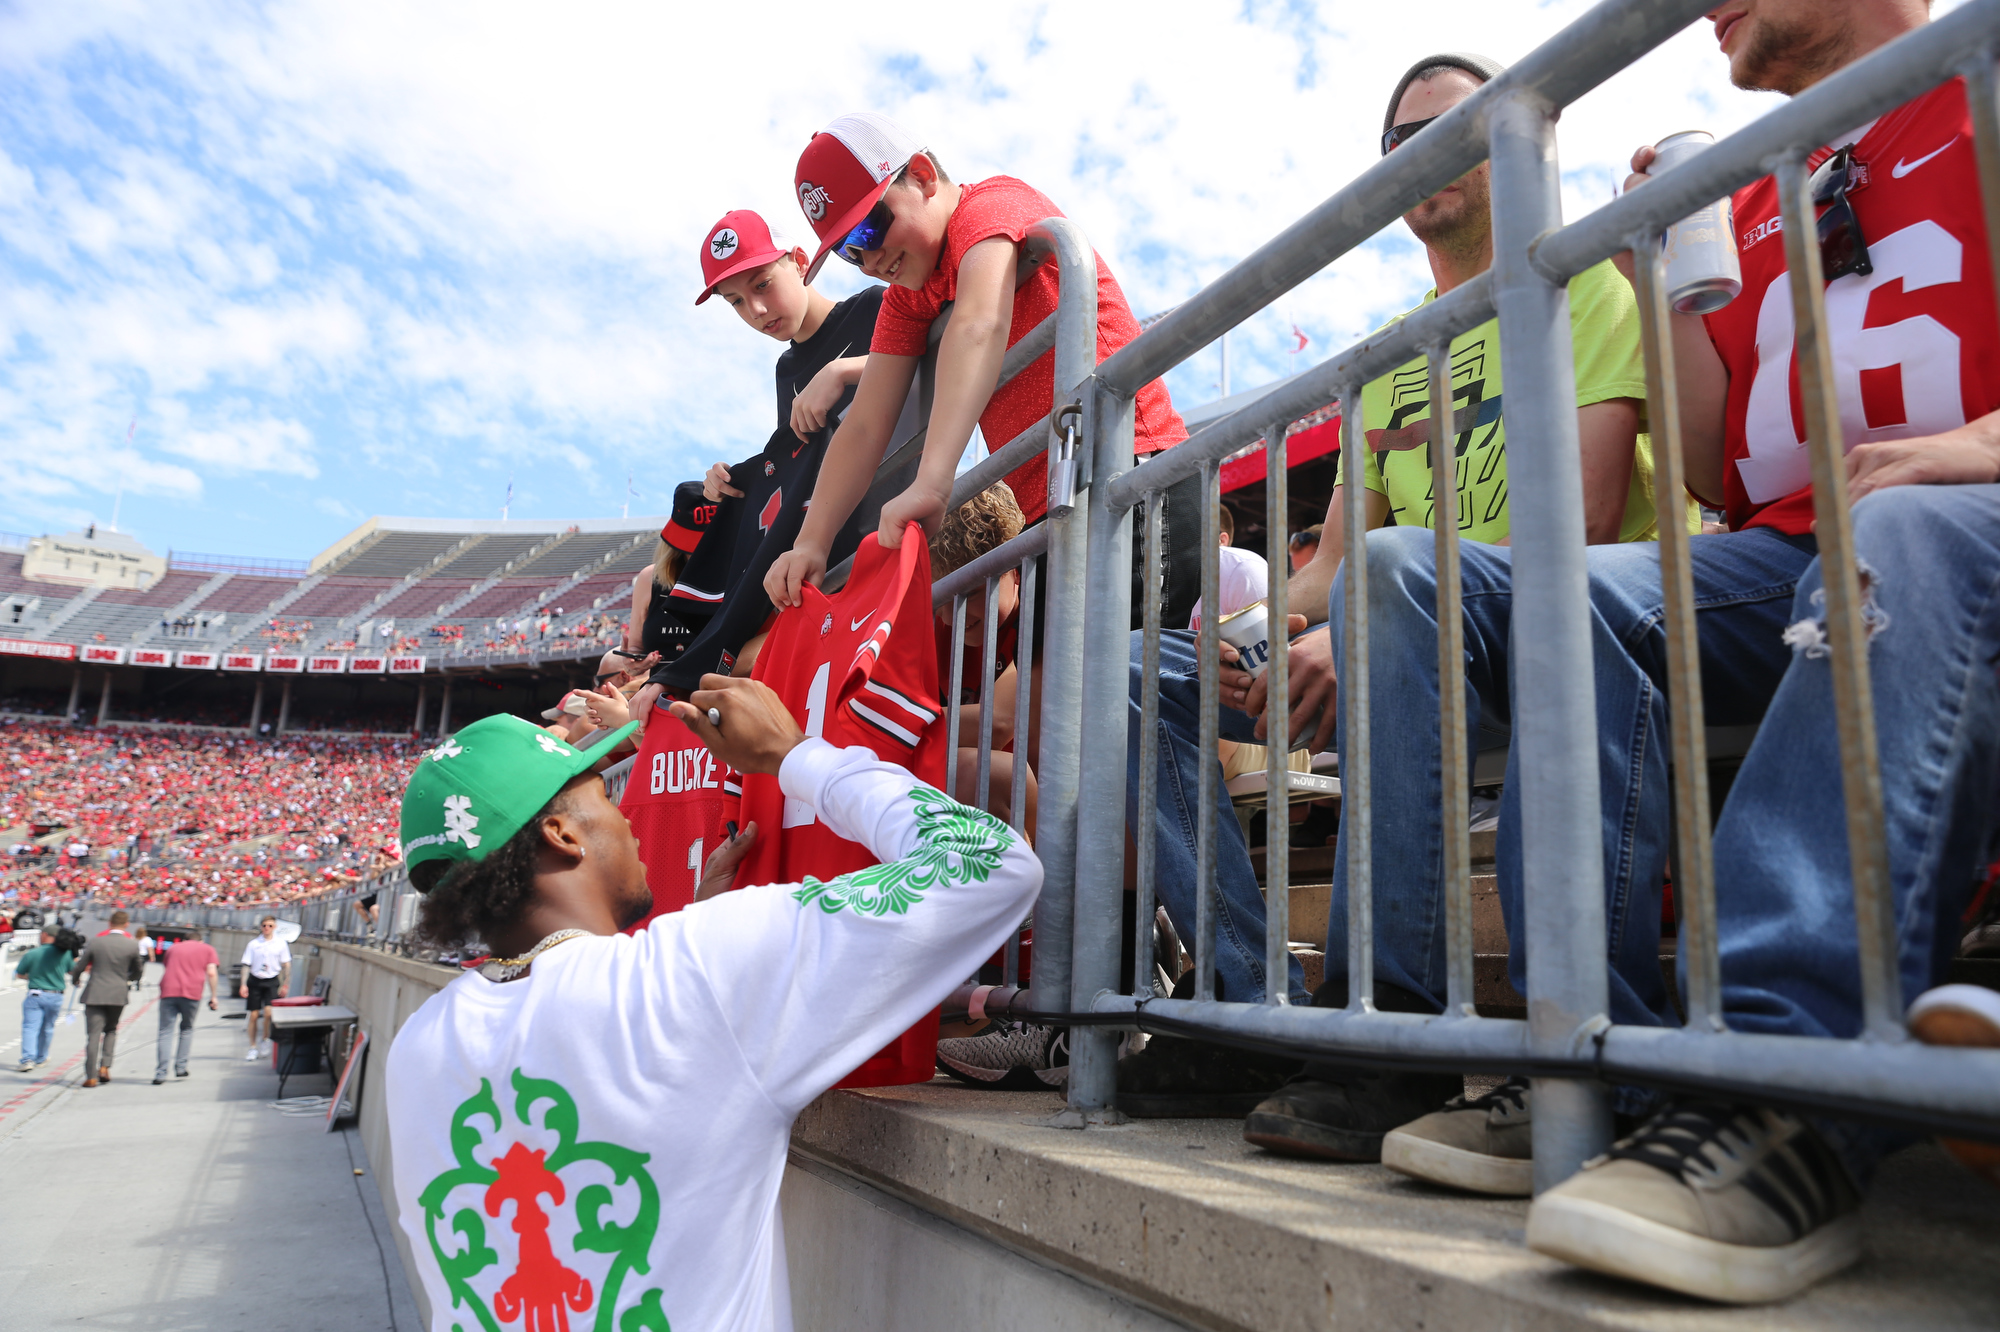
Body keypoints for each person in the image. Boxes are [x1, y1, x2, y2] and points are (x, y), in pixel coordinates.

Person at [1501, 0, 2000, 1301]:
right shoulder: (1761, 178)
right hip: (1806, 536)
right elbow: (1723, 462)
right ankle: (1589, 1070)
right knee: (1575, 599)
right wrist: (1675, 272)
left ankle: (1784, 1092)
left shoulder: (1982, 71)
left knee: (1907, 525)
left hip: (1953, 518)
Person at [1110, 49, 1686, 1118]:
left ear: (1513, 138)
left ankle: (1393, 1023)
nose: (1427, 153)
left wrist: (1359, 621)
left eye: (1455, 126)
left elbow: (1590, 522)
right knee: (1140, 665)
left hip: (1563, 626)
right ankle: (1247, 995)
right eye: (1402, 140)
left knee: (1390, 580)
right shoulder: (1384, 355)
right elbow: (1324, 567)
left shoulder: (1579, 278)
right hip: (1403, 616)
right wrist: (1263, 638)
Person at [384, 686, 1040, 1331]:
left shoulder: (416, 1046)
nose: (624, 817)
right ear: (562, 833)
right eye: (602, 796)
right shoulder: (694, 971)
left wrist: (692, 934)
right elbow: (986, 862)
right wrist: (798, 756)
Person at [764, 112, 1201, 633]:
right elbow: (864, 423)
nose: (868, 259)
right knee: (1045, 704)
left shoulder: (990, 204)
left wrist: (932, 481)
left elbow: (978, 322)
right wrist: (809, 543)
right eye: (846, 250)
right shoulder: (909, 296)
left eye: (868, 227)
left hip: (1133, 475)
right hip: (1055, 507)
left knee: (1127, 697)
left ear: (923, 176)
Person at [640, 208, 886, 712]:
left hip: (889, 533)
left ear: (799, 260)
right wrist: (734, 480)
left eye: (763, 284)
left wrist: (847, 371)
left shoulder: (873, 307)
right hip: (835, 562)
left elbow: (935, 358)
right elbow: (800, 455)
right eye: (735, 301)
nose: (754, 309)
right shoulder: (787, 368)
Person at [626, 482, 716, 664]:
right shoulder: (649, 579)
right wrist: (633, 662)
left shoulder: (744, 575)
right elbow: (636, 648)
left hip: (720, 690)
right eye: (693, 544)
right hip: (658, 689)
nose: (702, 553)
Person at [69, 910, 140, 1087]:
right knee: (111, 1030)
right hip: (117, 993)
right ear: (126, 924)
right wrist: (127, 979)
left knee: (93, 1035)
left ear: (109, 923)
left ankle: (90, 1075)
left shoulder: (96, 942)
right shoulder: (131, 945)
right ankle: (105, 1066)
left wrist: (75, 979)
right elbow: (138, 970)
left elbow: (81, 965)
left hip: (95, 992)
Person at [153, 930, 218, 1084]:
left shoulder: (173, 948)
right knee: (187, 1029)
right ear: (200, 940)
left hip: (169, 990)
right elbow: (212, 972)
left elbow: (166, 966)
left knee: (165, 1031)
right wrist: (213, 996)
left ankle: (161, 1073)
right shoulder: (207, 949)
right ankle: (181, 1068)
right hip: (192, 991)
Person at [13, 926, 73, 1072]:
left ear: (45, 935)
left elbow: (20, 974)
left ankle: (27, 1059)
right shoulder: (65, 953)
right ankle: (41, 1057)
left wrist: (33, 976)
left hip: (35, 994)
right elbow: (72, 970)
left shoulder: (33, 953)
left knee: (30, 1027)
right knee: (47, 1028)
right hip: (56, 995)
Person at [239, 916, 291, 1061]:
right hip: (256, 980)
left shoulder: (280, 944)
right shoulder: (254, 944)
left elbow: (286, 964)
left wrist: (285, 983)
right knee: (254, 1015)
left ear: (274, 927)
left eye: (269, 926)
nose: (266, 928)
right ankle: (252, 1046)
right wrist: (243, 984)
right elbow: (246, 964)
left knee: (268, 1013)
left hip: (272, 980)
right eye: (264, 925)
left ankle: (265, 1038)